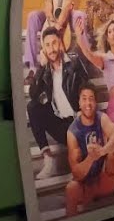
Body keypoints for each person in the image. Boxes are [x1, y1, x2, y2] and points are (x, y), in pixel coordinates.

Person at [27, 26, 91, 180]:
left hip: (77, 122)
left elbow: (87, 85)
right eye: (47, 45)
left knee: (83, 169)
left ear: (61, 43)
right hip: (60, 125)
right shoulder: (46, 71)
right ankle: (49, 160)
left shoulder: (73, 63)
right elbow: (33, 94)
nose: (52, 49)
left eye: (54, 43)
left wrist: (83, 109)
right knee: (33, 107)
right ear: (43, 49)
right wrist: (41, 68)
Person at [73, 17, 114, 155]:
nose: (113, 33)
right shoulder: (105, 59)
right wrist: (79, 37)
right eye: (110, 32)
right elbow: (88, 53)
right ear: (107, 38)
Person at [65, 83, 114, 216]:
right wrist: (90, 158)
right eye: (84, 98)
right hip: (85, 186)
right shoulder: (73, 131)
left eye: (91, 98)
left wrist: (102, 151)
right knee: (71, 188)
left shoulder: (101, 117)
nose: (88, 103)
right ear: (79, 102)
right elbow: (76, 173)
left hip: (102, 180)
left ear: (96, 101)